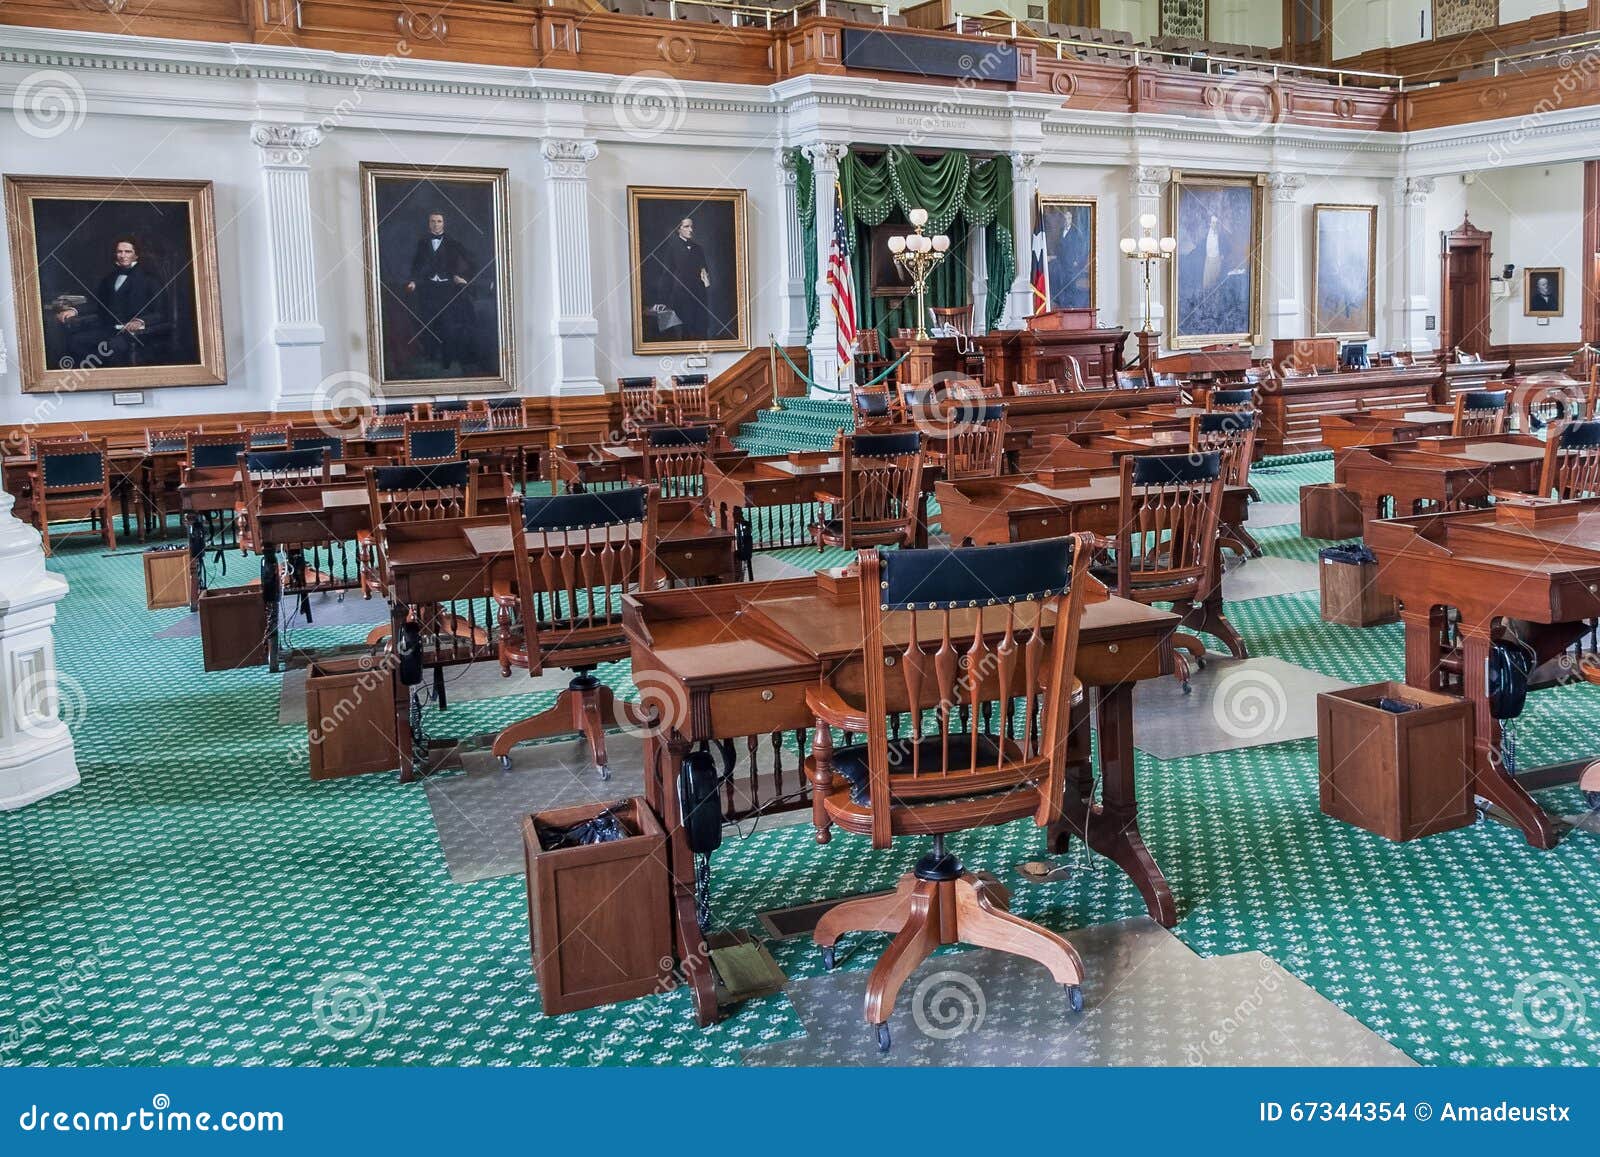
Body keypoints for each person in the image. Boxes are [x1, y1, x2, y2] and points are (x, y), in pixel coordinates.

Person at [50, 237, 171, 367]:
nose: (123, 255)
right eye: (120, 252)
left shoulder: (149, 279)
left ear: (136, 255)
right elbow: (97, 304)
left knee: (111, 348)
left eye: (127, 251)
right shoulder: (109, 278)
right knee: (76, 341)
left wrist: (140, 321)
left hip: (136, 334)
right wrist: (74, 310)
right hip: (108, 329)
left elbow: (160, 313)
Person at [402, 211, 479, 373]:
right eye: (433, 221)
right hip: (428, 289)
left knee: (448, 326)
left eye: (439, 221)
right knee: (428, 324)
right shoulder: (422, 243)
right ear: (429, 224)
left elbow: (472, 262)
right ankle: (430, 357)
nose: (436, 224)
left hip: (448, 290)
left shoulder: (453, 243)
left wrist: (462, 277)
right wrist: (413, 281)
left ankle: (447, 360)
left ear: (444, 223)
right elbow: (416, 265)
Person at [648, 216, 716, 341]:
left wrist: (706, 278)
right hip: (681, 296)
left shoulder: (698, 249)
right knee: (687, 330)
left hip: (699, 295)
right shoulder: (672, 249)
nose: (691, 230)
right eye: (686, 226)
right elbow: (667, 275)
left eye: (691, 226)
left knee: (701, 328)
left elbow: (704, 271)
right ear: (678, 229)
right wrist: (662, 300)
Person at [1047, 206, 1091, 311]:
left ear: (1071, 219)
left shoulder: (1076, 232)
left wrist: (1076, 261)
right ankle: (1063, 305)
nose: (1066, 221)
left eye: (1068, 218)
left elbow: (1081, 249)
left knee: (1070, 284)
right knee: (1061, 283)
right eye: (1065, 218)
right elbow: (1059, 247)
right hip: (1062, 263)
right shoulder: (1061, 231)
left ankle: (1071, 305)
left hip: (1071, 264)